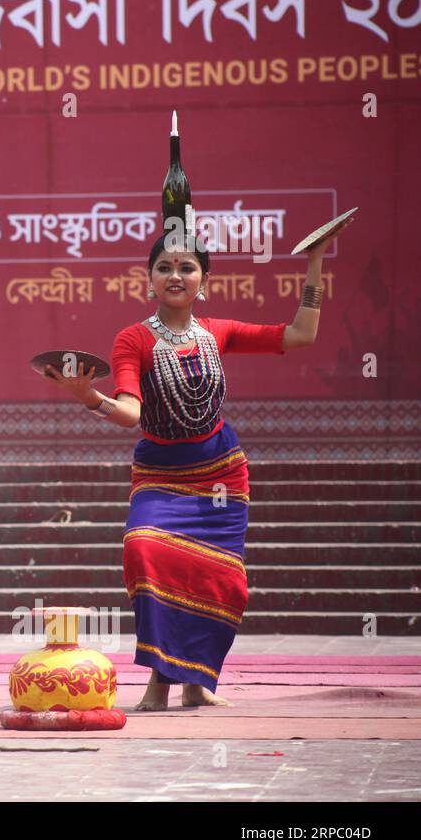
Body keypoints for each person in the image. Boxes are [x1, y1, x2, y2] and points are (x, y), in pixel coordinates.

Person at [47, 218, 351, 710]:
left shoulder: (218, 332)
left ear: (202, 282)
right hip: (162, 475)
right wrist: (89, 396)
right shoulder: (133, 340)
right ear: (148, 279)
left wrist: (314, 262)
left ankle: (196, 684)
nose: (175, 274)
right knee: (144, 549)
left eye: (186, 267)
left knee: (219, 578)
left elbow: (300, 335)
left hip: (220, 473)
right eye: (164, 266)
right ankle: (158, 684)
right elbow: (130, 414)